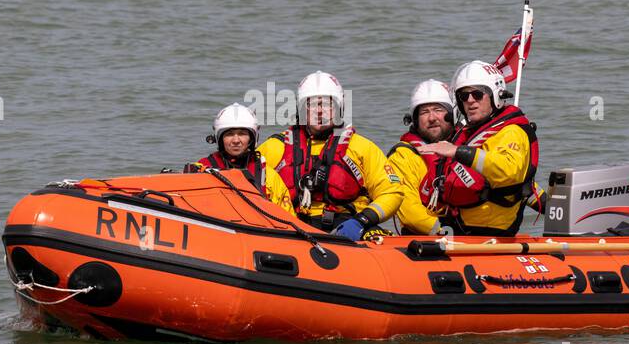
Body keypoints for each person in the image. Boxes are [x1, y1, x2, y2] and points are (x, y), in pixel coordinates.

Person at [258, 70, 405, 239]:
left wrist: (362, 220)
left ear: (338, 108)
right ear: (301, 109)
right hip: (292, 228)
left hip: (350, 226)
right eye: (312, 104)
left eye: (327, 104)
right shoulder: (276, 147)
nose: (320, 111)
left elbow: (392, 192)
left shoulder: (361, 147)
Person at [416, 61, 540, 235]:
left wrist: (458, 152)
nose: (470, 101)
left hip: (490, 232)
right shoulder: (470, 133)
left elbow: (508, 170)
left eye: (477, 94)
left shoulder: (511, 132)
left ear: (495, 96)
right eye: (464, 96)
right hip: (458, 226)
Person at [188, 103, 294, 213]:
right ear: (219, 138)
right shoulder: (202, 169)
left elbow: (288, 216)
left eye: (242, 134)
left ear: (252, 138)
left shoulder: (268, 176)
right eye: (229, 134)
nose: (236, 140)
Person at [386, 80, 456, 236]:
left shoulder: (466, 148)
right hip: (427, 240)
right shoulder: (403, 156)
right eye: (424, 112)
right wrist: (443, 231)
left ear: (453, 114)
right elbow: (409, 210)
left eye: (438, 110)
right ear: (415, 120)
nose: (432, 118)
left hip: (471, 233)